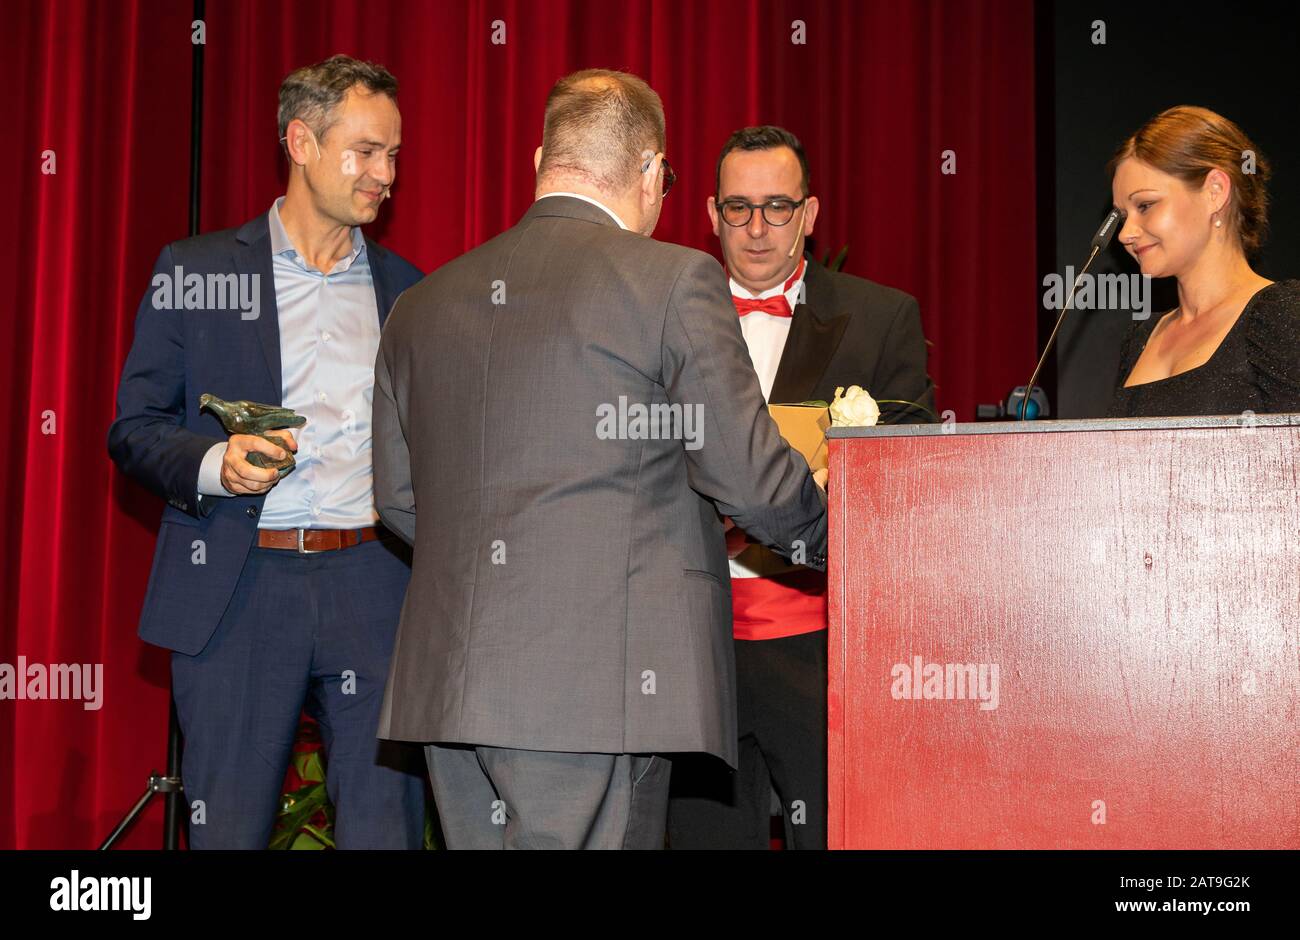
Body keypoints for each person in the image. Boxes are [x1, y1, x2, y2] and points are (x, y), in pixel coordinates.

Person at [372, 70, 828, 849]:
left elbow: (399, 499)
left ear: (540, 158)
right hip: (597, 690)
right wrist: (842, 539)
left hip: (451, 691)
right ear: (652, 172)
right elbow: (749, 476)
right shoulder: (671, 281)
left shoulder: (422, 302)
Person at [107, 55, 426, 848]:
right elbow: (134, 428)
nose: (384, 173)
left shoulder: (409, 291)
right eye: (365, 151)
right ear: (301, 142)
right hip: (238, 585)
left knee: (385, 831)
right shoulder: (196, 270)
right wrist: (219, 466)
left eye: (393, 153)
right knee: (229, 831)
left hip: (375, 588)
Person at [666, 125, 935, 850]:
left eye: (777, 207)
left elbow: (912, 485)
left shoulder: (882, 319)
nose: (756, 228)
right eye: (737, 208)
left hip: (821, 647)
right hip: (693, 648)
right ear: (709, 214)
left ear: (811, 215)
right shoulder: (658, 315)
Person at [1106, 105, 1300, 418]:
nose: (1125, 234)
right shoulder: (1141, 339)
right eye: (1123, 216)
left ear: (1215, 192)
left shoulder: (1278, 316)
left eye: (1145, 205)